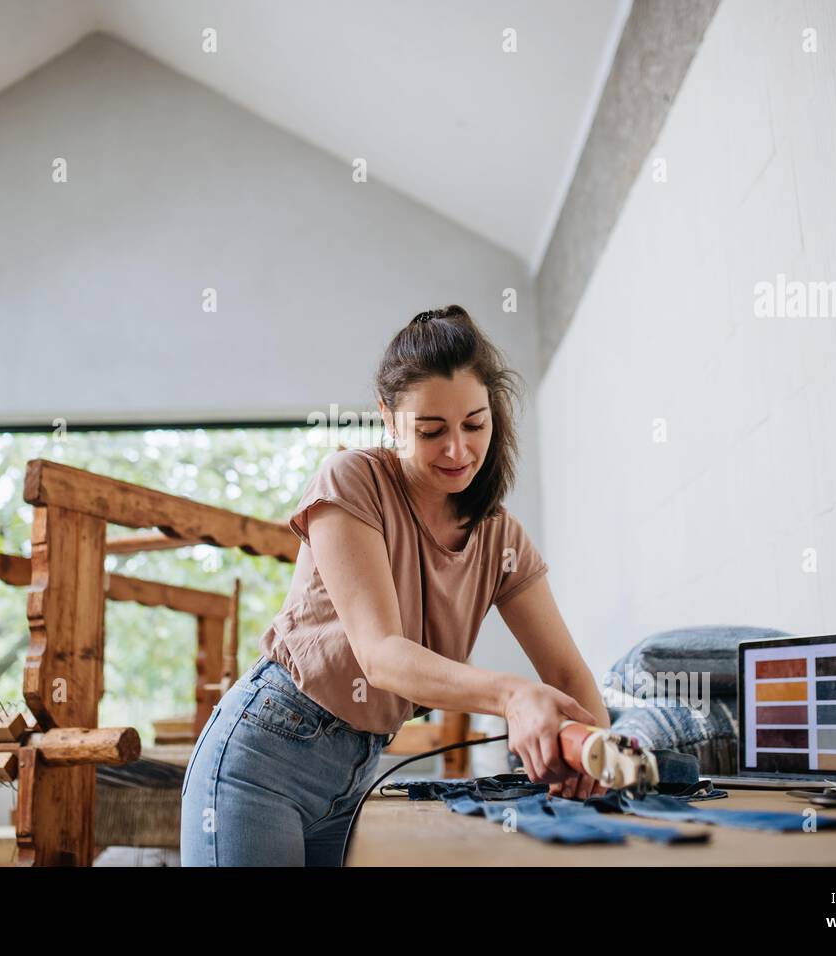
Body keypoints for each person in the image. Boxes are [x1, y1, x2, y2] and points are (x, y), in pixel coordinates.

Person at [180, 305, 610, 866]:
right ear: (387, 415)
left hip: (357, 775)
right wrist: (513, 696)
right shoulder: (351, 482)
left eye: (475, 424)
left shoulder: (500, 536)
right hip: (264, 761)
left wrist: (599, 754)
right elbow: (381, 656)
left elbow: (567, 675)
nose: (457, 450)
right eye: (431, 431)